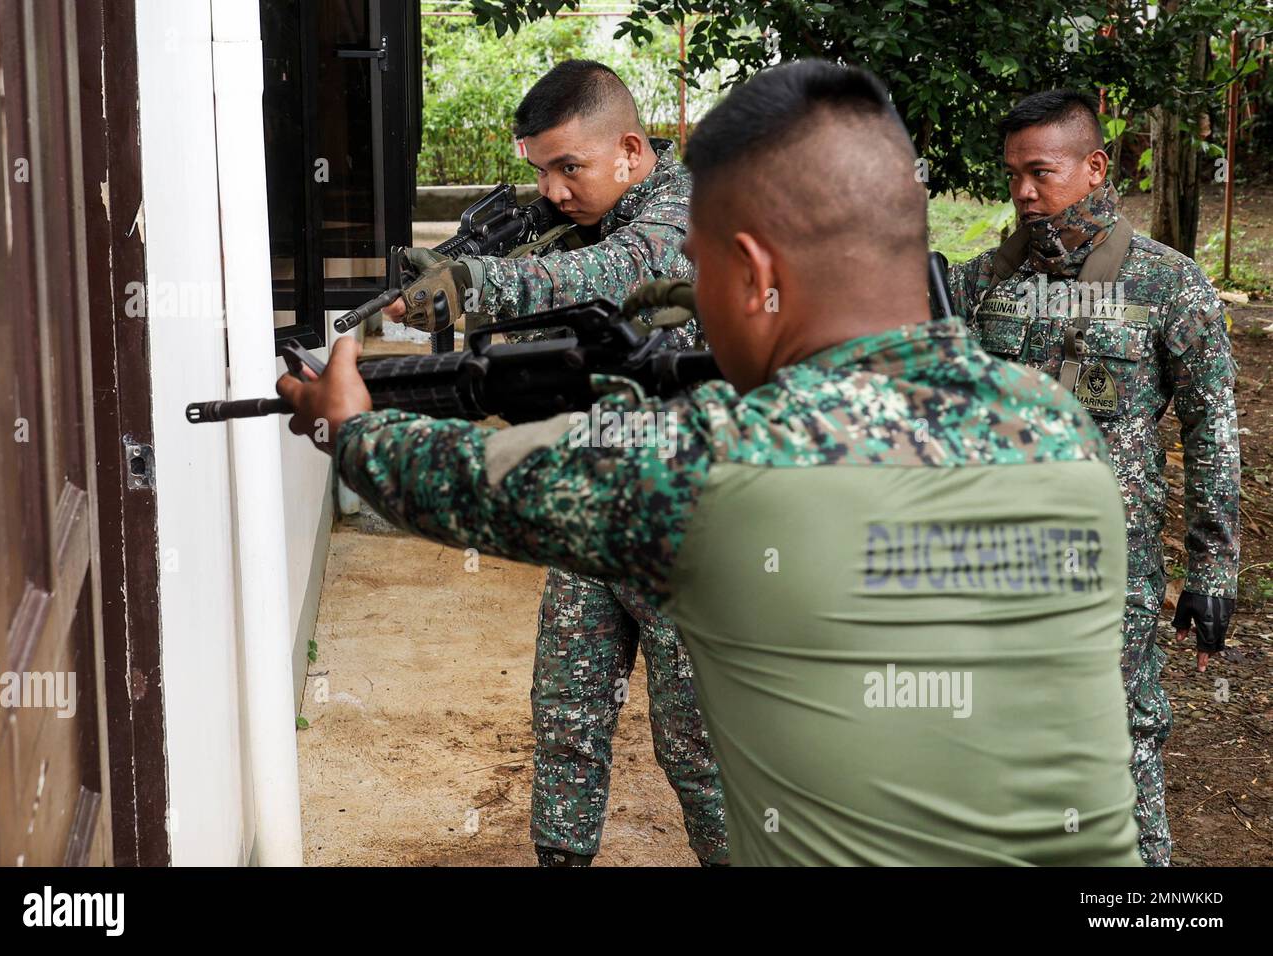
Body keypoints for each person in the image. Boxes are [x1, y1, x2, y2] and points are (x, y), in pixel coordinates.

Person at [282, 61, 1142, 866]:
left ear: (757, 272)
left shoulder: (729, 462)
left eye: (697, 271)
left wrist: (353, 428)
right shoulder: (1059, 427)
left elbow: (477, 482)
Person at [385, 59, 725, 867]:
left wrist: (472, 282)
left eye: (569, 167)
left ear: (631, 151)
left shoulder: (680, 215)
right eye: (541, 171)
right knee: (567, 724)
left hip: (683, 531)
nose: (553, 190)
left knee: (701, 756)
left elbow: (612, 275)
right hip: (590, 513)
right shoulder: (575, 224)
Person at [948, 90, 1241, 866]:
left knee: (1118, 744)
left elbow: (1211, 430)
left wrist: (1213, 570)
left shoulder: (1167, 285)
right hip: (992, 567)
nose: (1022, 192)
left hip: (1109, 571)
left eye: (1039, 173)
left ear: (1094, 168)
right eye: (1012, 175)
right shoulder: (984, 283)